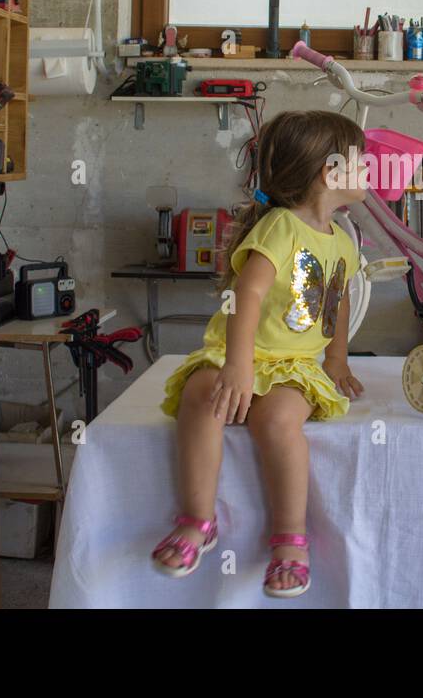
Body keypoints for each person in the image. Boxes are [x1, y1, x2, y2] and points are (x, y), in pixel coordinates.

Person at [151, 110, 368, 598]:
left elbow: (339, 298)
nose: (371, 169)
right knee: (202, 393)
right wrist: (237, 364)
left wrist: (337, 359)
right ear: (329, 174)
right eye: (362, 160)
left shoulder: (343, 242)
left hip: (294, 367)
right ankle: (196, 521)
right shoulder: (280, 229)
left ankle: (290, 542)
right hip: (245, 353)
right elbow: (247, 295)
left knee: (277, 421)